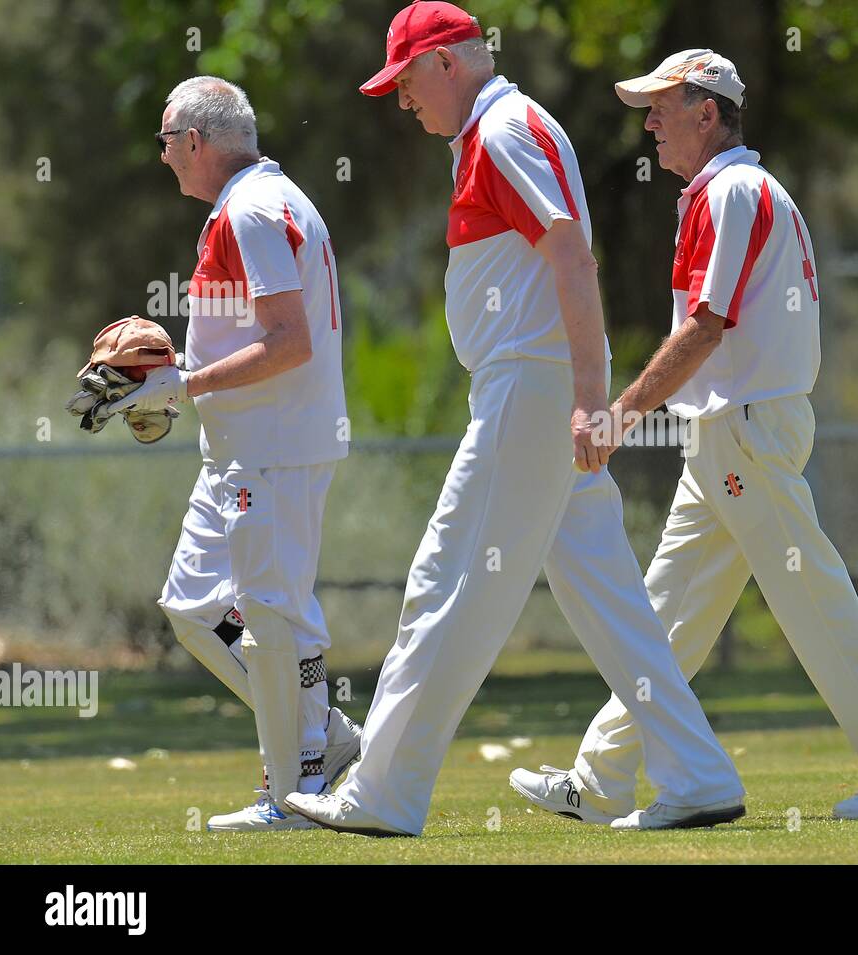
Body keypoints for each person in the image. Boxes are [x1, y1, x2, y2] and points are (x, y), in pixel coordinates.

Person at [285, 2, 745, 836]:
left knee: (444, 585)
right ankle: (699, 774)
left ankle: (382, 794)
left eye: (407, 82)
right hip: (530, 391)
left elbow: (569, 251)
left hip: (529, 396)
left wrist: (583, 399)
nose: (401, 101)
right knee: (614, 605)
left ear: (449, 62)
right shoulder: (497, 129)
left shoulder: (502, 131)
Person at [510, 48, 858, 823]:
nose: (648, 121)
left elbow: (706, 327)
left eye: (662, 105)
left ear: (707, 112)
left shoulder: (734, 191)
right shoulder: (727, 190)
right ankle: (602, 775)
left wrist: (619, 414)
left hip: (743, 428)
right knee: (665, 618)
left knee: (813, 600)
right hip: (729, 430)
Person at [113, 76, 360, 830]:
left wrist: (183, 384)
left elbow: (289, 340)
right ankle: (324, 734)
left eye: (165, 142)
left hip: (274, 449)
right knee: (191, 604)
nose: (162, 158)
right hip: (239, 450)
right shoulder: (250, 203)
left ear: (196, 141)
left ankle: (293, 790)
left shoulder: (253, 210)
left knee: (275, 619)